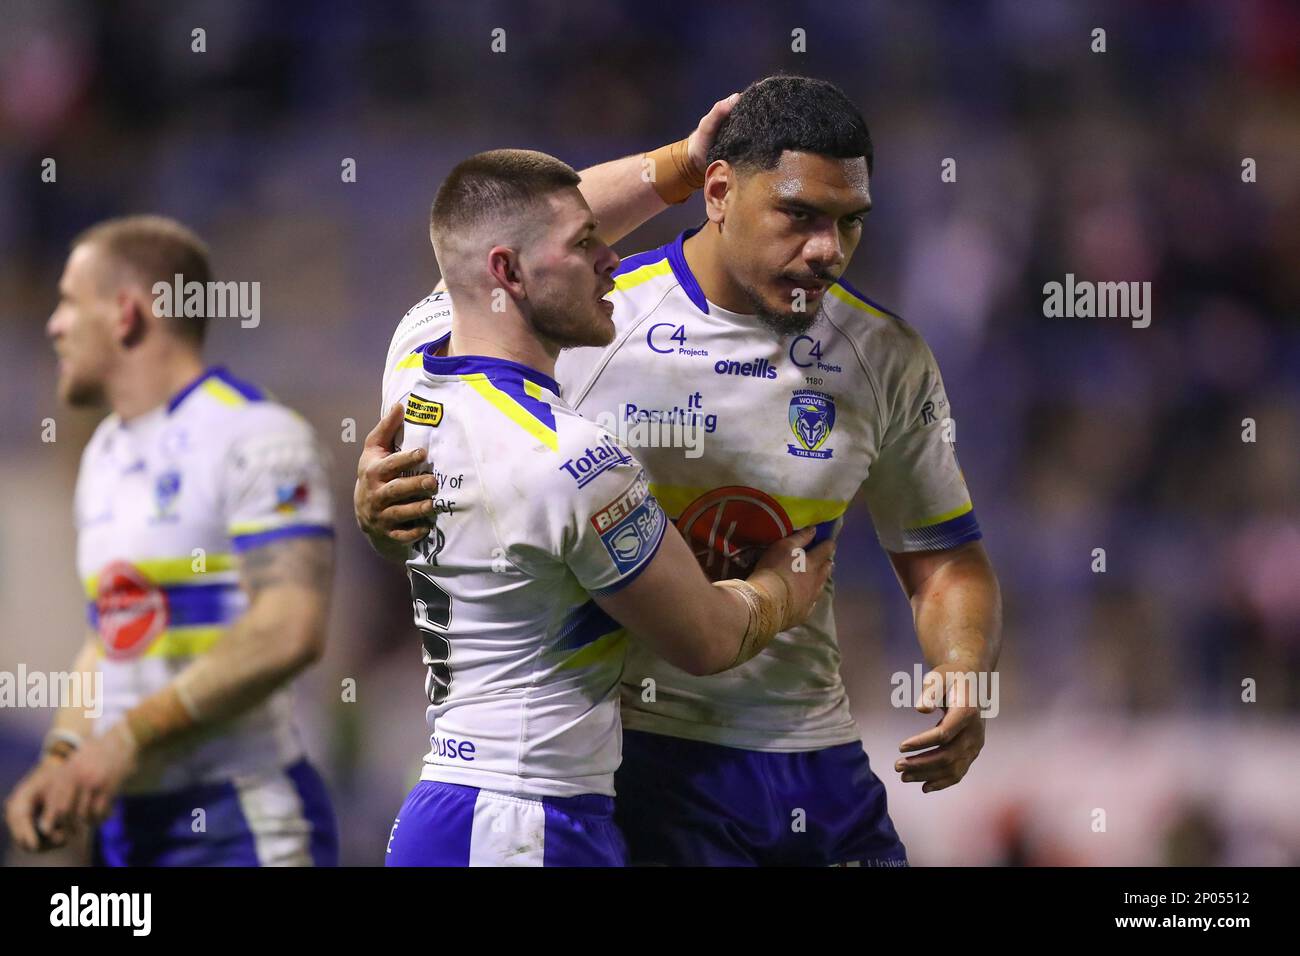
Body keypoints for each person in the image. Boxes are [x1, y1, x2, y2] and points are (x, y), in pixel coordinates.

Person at [360, 75, 1002, 866]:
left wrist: (962, 667)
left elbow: (946, 558)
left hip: (817, 756)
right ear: (720, 192)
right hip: (641, 762)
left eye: (850, 221)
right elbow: (491, 260)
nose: (828, 249)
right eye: (800, 215)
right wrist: (393, 507)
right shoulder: (588, 323)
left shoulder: (887, 357)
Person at [381, 149, 834, 866]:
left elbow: (479, 237)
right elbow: (707, 639)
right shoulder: (574, 462)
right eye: (584, 244)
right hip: (526, 824)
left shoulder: (412, 370)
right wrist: (783, 587)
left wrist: (682, 162)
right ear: (508, 274)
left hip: (456, 806)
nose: (612, 260)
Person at [3, 215, 339, 866]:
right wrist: (63, 756)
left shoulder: (258, 436)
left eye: (69, 301)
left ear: (127, 313)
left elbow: (290, 628)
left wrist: (128, 738)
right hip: (127, 829)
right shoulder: (104, 453)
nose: (54, 325)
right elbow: (109, 636)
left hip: (240, 822)